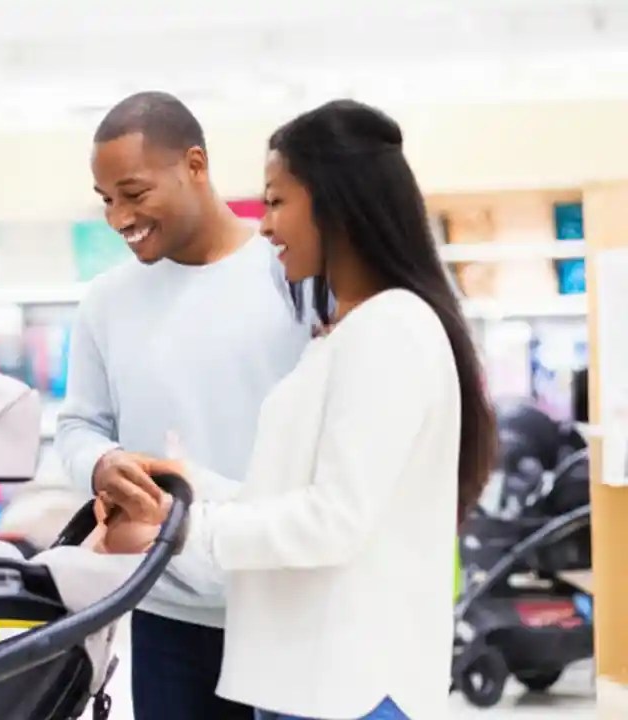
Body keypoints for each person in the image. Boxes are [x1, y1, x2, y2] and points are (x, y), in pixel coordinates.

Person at [105, 99, 498, 719]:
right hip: (313, 683)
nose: (264, 225)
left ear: (335, 203)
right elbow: (295, 494)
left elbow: (331, 520)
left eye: (277, 201)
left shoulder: (390, 330)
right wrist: (187, 487)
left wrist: (179, 532)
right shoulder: (345, 334)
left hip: (353, 689)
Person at [55, 91, 311, 719]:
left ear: (195, 165)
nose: (118, 217)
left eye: (134, 194)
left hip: (280, 605)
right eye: (106, 199)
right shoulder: (106, 302)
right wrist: (100, 462)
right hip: (163, 608)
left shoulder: (291, 279)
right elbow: (79, 424)